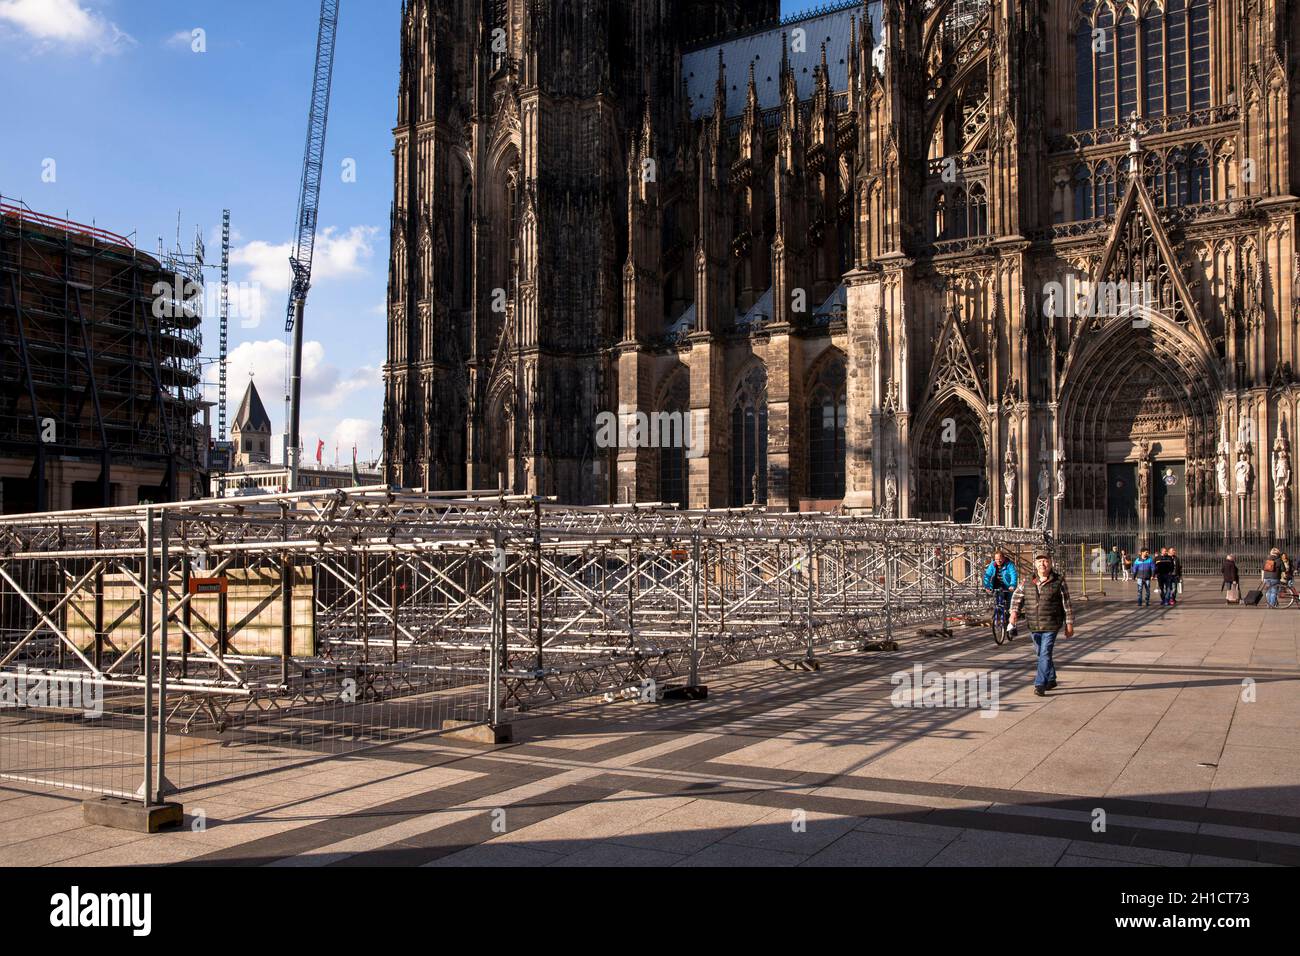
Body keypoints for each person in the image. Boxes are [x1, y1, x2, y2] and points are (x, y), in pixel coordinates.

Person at [1009, 550, 1075, 697]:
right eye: (1039, 561)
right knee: (1040, 653)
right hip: (1033, 623)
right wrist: (1013, 614)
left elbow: (1067, 604)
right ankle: (1051, 678)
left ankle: (1040, 684)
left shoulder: (1059, 580)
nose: (1042, 564)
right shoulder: (1027, 580)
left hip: (1051, 623)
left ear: (1050, 563)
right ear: (1035, 564)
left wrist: (1069, 624)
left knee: (1045, 652)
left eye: (1045, 561)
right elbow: (1017, 597)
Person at [983, 548, 1019, 636]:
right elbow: (987, 576)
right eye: (996, 559)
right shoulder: (992, 565)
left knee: (1010, 608)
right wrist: (987, 586)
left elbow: (1013, 575)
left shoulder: (1009, 565)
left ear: (1003, 558)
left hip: (1007, 587)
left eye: (999, 559)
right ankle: (998, 616)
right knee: (998, 604)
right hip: (996, 586)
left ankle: (1012, 625)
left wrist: (1012, 585)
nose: (998, 561)